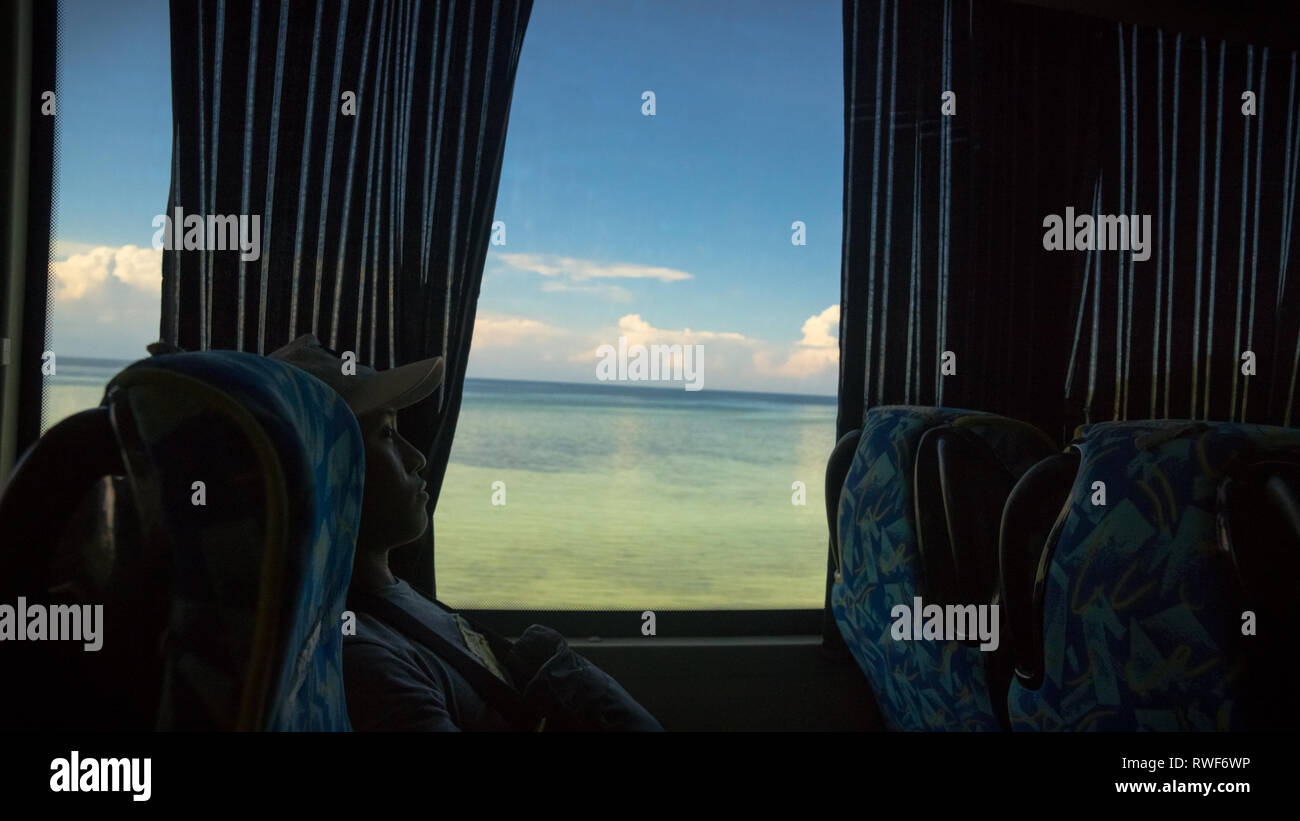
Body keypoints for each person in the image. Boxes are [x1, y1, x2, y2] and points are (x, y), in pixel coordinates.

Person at [268, 334, 661, 731]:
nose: (417, 457)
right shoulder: (365, 659)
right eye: (385, 434)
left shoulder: (401, 603)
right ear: (325, 469)